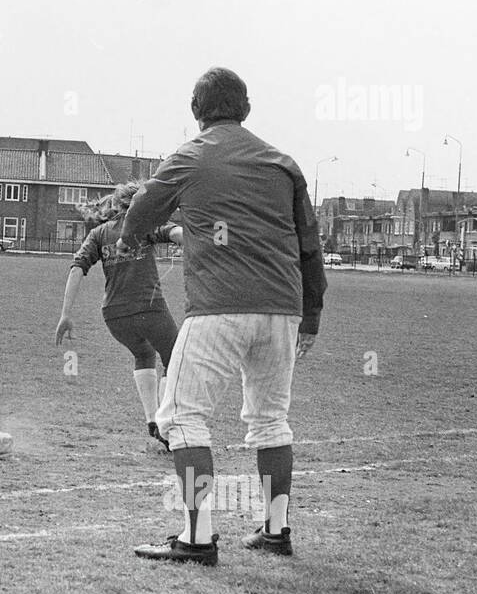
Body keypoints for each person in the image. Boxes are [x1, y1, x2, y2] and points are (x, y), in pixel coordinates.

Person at [121, 67, 327, 566]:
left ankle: (197, 538)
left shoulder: (189, 156)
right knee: (272, 421)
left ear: (196, 111)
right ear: (247, 108)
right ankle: (276, 531)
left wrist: (134, 237)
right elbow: (310, 246)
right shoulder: (284, 164)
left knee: (182, 420)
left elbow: (140, 214)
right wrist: (312, 314)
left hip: (218, 309)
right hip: (283, 310)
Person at [55, 181, 183, 450]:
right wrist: (197, 237)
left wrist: (66, 314)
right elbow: (176, 234)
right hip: (149, 308)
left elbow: (77, 268)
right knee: (175, 357)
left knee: (144, 355)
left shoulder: (99, 233)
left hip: (113, 315)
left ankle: (152, 420)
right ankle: (166, 424)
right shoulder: (145, 224)